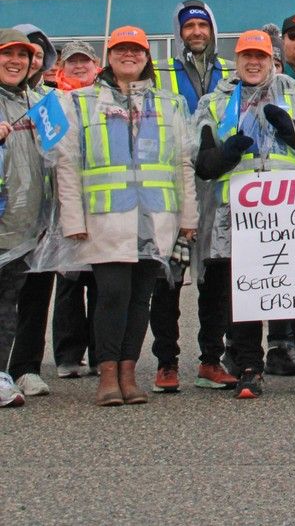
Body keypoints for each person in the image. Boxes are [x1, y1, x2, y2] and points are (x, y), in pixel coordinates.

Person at [54, 26, 197, 406]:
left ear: (147, 57)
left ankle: (129, 373)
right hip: (106, 218)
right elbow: (67, 165)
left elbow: (182, 163)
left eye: (137, 50)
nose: (129, 55)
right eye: (121, 50)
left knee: (140, 299)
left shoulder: (169, 104)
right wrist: (73, 220)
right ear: (109, 57)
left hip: (156, 217)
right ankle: (107, 373)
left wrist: (189, 217)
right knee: (112, 295)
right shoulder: (82, 102)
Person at [193, 29, 295, 399]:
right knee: (246, 294)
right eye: (246, 57)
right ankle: (249, 369)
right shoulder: (216, 102)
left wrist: (289, 128)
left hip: (291, 211)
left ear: (274, 60)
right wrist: (229, 152)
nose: (253, 63)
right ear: (236, 62)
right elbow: (204, 164)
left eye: (261, 57)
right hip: (241, 213)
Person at [148, 0, 235, 393]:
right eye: (189, 27)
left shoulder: (232, 72)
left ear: (212, 31)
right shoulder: (161, 72)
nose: (196, 32)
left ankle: (211, 361)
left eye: (202, 25)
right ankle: (166, 363)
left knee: (216, 278)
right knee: (168, 278)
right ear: (179, 32)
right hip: (175, 185)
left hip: (219, 186)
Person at [0, 29, 52, 408]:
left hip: (27, 224)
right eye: (7, 54)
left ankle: (7, 372)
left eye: (23, 55)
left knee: (11, 302)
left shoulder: (39, 103)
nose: (15, 61)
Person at [49, 41, 102, 379]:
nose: (79, 67)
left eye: (84, 61)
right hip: (65, 198)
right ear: (62, 67)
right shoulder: (53, 98)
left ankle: (101, 354)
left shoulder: (105, 97)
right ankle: (68, 356)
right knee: (69, 282)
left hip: (100, 198)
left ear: (96, 64)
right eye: (72, 62)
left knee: (101, 281)